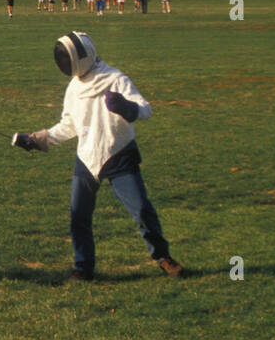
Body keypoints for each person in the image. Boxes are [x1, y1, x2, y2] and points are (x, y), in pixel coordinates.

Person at [11, 31, 183, 280]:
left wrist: (127, 107)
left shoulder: (115, 79)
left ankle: (163, 257)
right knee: (78, 215)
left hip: (119, 154)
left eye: (67, 58)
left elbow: (146, 109)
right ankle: (83, 267)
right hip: (87, 157)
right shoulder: (73, 88)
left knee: (142, 210)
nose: (64, 63)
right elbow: (69, 125)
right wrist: (38, 139)